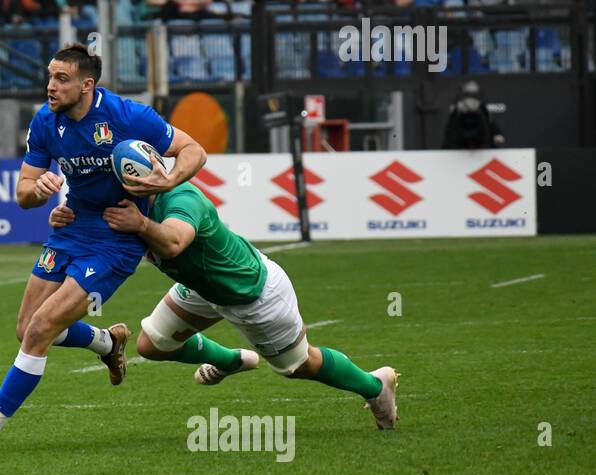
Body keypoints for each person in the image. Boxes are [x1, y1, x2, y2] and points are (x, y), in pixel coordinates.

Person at [0, 44, 208, 455]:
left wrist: (167, 181)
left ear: (87, 85)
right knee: (26, 328)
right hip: (70, 229)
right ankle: (108, 342)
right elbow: (22, 193)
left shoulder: (128, 116)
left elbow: (195, 149)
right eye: (50, 76)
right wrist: (39, 191)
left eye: (62, 79)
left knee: (40, 328)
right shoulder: (45, 122)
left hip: (116, 239)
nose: (51, 86)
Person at [51, 182, 397, 428]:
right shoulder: (124, 207)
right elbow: (91, 234)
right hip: (201, 288)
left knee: (299, 366)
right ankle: (231, 361)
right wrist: (65, 222)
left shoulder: (183, 199)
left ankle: (375, 387)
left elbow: (172, 243)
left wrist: (141, 224)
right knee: (152, 344)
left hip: (252, 293)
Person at [443, 81, 505, 149]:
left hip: (483, 149)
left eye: (473, 95)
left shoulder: (483, 110)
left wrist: (497, 134)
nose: (470, 99)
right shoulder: (456, 111)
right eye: (468, 95)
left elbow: (492, 125)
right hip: (459, 150)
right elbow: (449, 132)